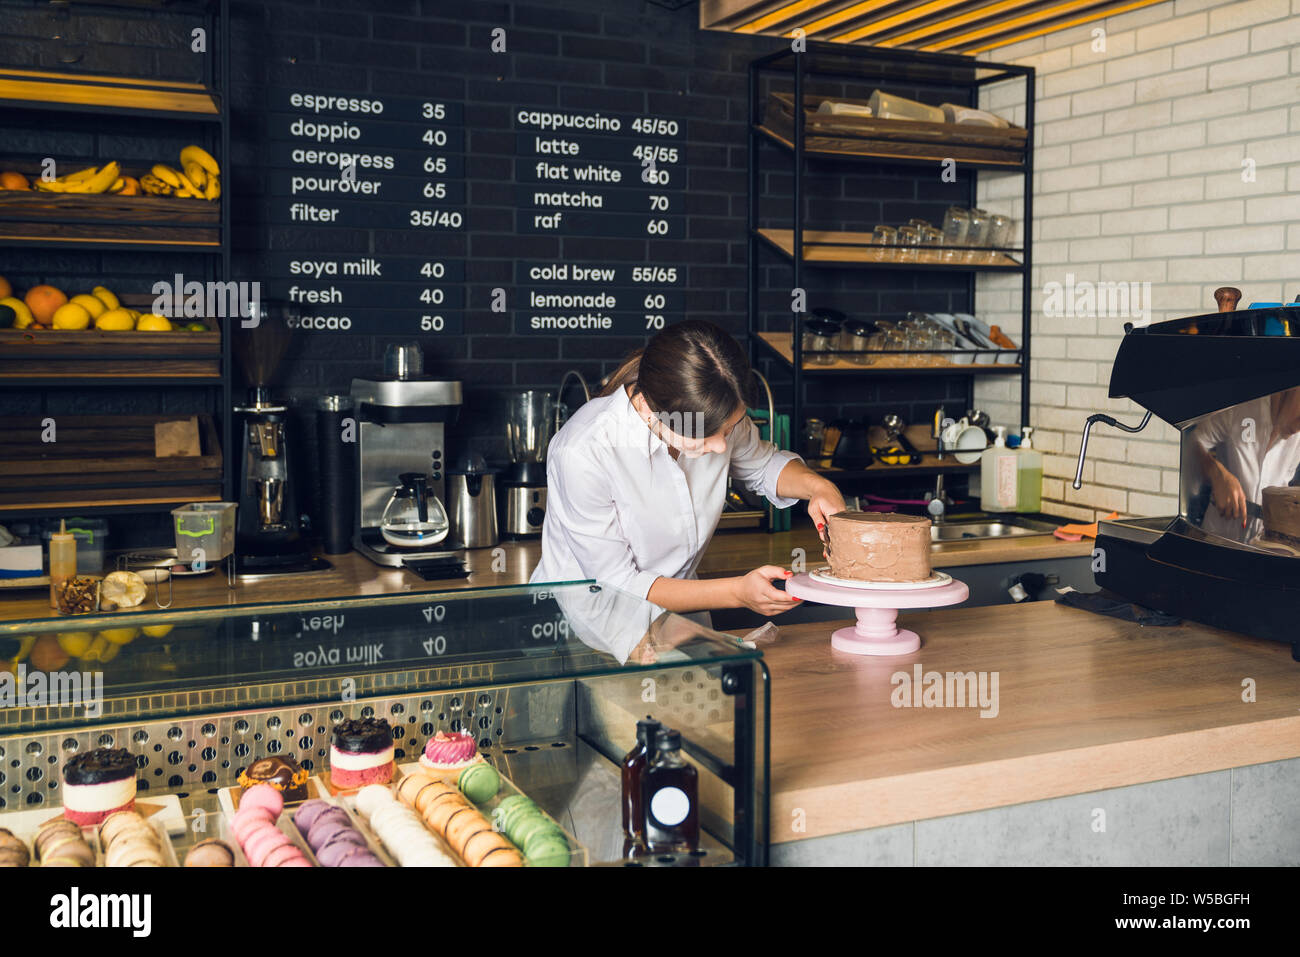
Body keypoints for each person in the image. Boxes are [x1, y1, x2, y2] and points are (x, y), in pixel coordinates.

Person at [530, 319, 845, 626]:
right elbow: (617, 584)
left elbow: (763, 465)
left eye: (731, 427)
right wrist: (737, 592)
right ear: (648, 409)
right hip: (588, 624)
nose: (723, 446)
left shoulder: (713, 412)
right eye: (707, 433)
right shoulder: (583, 451)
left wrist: (819, 488)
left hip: (679, 619)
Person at [1191, 386, 1300, 544]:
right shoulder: (1239, 406)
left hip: (1266, 546)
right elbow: (1192, 441)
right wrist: (1216, 473)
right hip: (1218, 539)